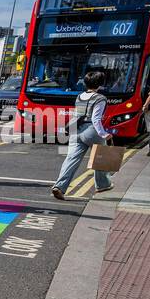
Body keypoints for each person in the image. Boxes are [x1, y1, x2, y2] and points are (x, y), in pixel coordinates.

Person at [51, 69, 115, 200]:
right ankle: (103, 185)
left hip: (76, 130)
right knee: (101, 157)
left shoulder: (79, 96)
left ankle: (59, 186)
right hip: (91, 130)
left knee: (71, 159)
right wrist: (104, 134)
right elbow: (96, 119)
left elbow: (77, 115)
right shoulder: (100, 98)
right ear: (100, 84)